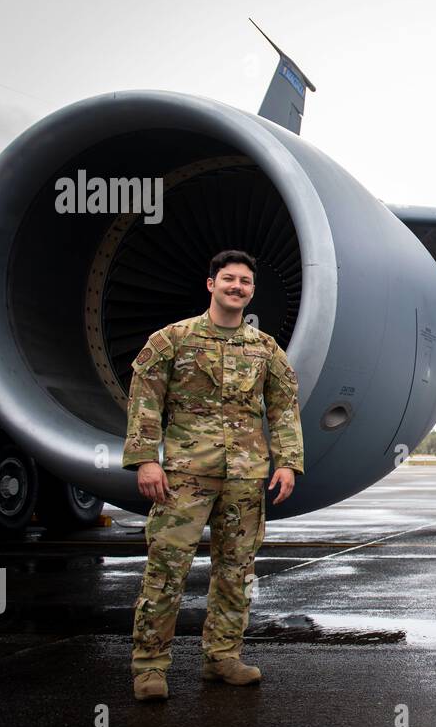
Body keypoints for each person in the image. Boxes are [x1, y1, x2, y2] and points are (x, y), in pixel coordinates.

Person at [124, 249, 304, 701]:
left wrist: (287, 462)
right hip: (185, 476)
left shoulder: (264, 349)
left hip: (245, 477)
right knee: (167, 569)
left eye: (244, 281)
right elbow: (145, 397)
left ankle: (222, 657)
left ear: (251, 291)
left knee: (236, 572)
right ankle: (150, 667)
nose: (236, 287)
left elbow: (284, 407)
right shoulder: (173, 340)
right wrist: (146, 458)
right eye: (228, 279)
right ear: (211, 284)